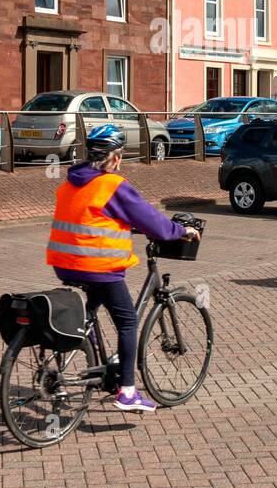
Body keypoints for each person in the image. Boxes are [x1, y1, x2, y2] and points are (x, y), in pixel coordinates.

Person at [47, 124, 200, 413]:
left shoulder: (70, 184)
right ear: (115, 157)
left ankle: (89, 365)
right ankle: (127, 393)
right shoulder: (112, 185)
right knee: (128, 321)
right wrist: (182, 231)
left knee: (89, 313)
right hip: (98, 267)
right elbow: (153, 221)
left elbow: (92, 218)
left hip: (64, 264)